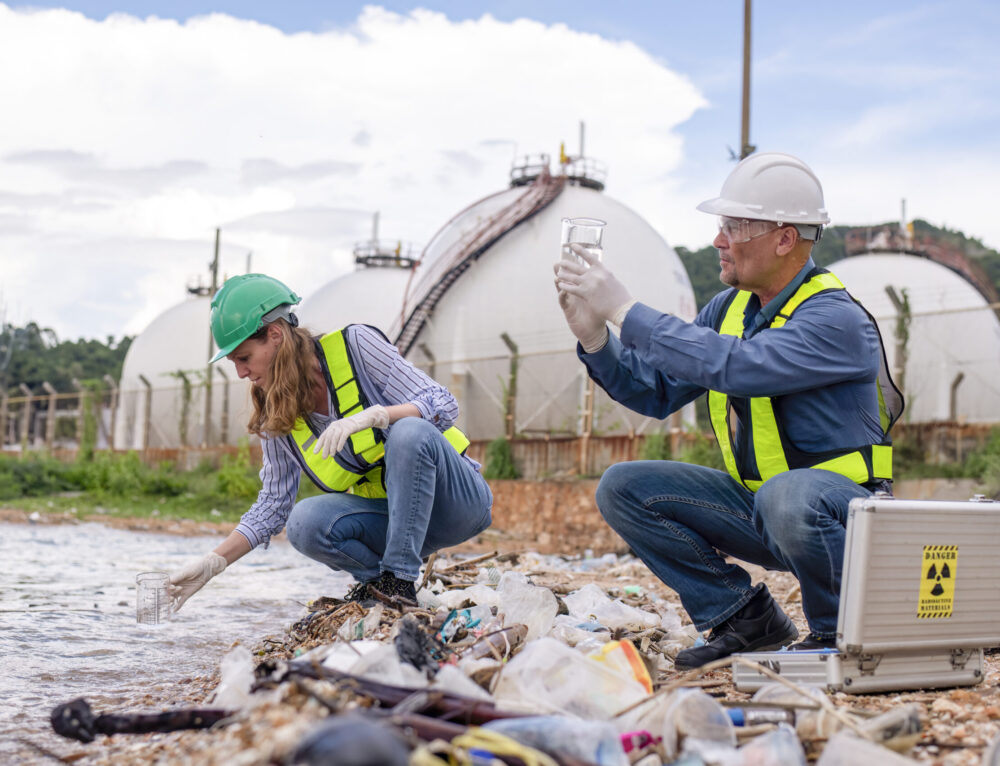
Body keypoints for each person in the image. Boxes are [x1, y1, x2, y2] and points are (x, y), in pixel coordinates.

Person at [554, 152, 902, 670]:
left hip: (845, 517)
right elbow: (656, 392)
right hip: (768, 510)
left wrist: (627, 311)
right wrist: (596, 337)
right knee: (624, 486)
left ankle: (840, 631)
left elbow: (738, 367)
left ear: (785, 239)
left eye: (734, 226)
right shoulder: (729, 309)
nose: (719, 239)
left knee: (789, 494)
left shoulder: (836, 319)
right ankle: (743, 616)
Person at [168, 274, 493, 611]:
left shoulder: (356, 346)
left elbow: (443, 403)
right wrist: (212, 565)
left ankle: (399, 579)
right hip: (394, 522)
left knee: (410, 432)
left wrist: (379, 415)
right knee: (304, 522)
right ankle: (381, 589)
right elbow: (273, 504)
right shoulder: (276, 411)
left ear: (275, 335)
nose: (240, 373)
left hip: (456, 505)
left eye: (244, 358)